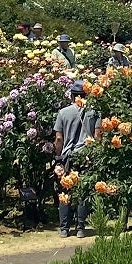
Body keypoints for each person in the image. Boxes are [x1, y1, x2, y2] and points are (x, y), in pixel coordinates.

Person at [52, 82, 91, 236]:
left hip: (68, 157)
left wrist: (58, 158)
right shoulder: (93, 112)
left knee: (65, 191)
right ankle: (80, 228)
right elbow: (98, 135)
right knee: (82, 192)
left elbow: (59, 138)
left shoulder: (63, 113)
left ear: (72, 96)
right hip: (86, 156)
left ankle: (64, 229)